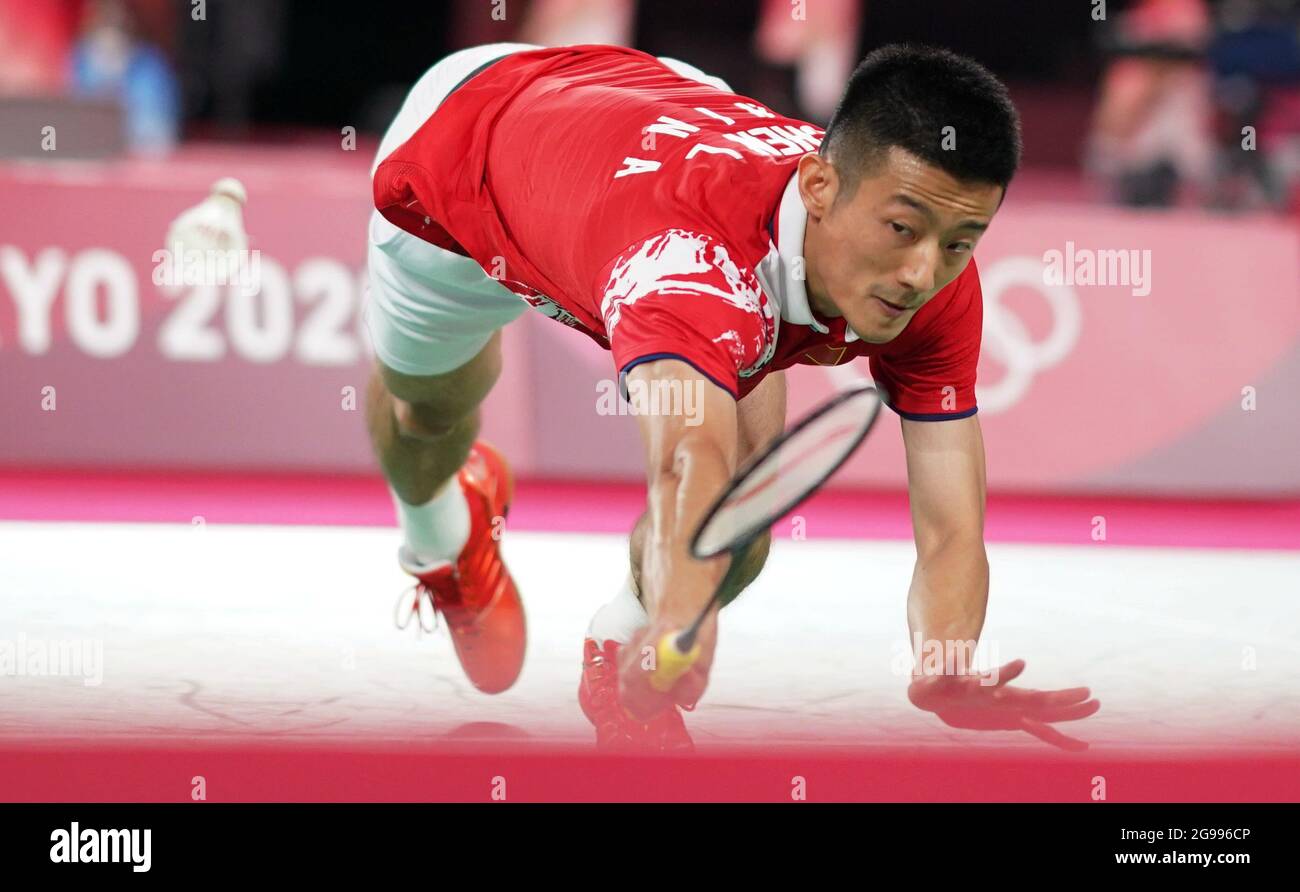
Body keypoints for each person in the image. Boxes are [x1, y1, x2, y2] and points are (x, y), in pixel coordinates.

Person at [364, 41, 1100, 751]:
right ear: (820, 188)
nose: (919, 273)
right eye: (902, 229)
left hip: (651, 106)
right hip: (466, 153)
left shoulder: (930, 272)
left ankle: (617, 653)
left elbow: (950, 526)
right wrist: (686, 615)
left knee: (742, 511)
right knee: (427, 415)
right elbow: (687, 459)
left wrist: (945, 664)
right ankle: (440, 542)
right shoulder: (691, 269)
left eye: (958, 242)